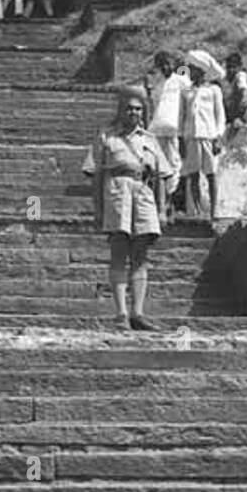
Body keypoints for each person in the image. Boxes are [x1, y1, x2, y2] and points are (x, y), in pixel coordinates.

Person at [82, 86, 173, 331]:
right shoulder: (107, 135)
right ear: (121, 111)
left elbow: (161, 176)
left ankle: (138, 312)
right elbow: (97, 174)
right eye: (129, 108)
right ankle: (121, 312)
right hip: (117, 192)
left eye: (138, 109)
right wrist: (98, 209)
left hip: (143, 193)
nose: (134, 113)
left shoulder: (150, 139)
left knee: (141, 255)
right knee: (119, 251)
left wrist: (163, 209)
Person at [179, 49, 226, 223]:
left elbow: (220, 115)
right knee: (193, 175)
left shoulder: (213, 90)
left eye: (191, 68)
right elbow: (181, 116)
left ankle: (214, 210)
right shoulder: (186, 91)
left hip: (208, 136)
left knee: (211, 174)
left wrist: (218, 136)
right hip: (191, 136)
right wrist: (181, 138)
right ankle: (197, 211)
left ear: (200, 70)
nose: (188, 72)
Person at [145, 52, 186, 220]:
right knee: (159, 167)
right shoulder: (158, 82)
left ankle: (166, 203)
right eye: (164, 65)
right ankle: (161, 205)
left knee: (173, 165)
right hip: (158, 128)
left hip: (172, 128)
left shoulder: (179, 80)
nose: (167, 68)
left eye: (169, 64)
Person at [224, 53, 247, 144]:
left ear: (239, 67)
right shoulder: (230, 82)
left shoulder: (240, 75)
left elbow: (243, 89)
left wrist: (244, 98)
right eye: (228, 67)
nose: (230, 70)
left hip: (240, 121)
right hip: (233, 121)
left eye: (233, 67)